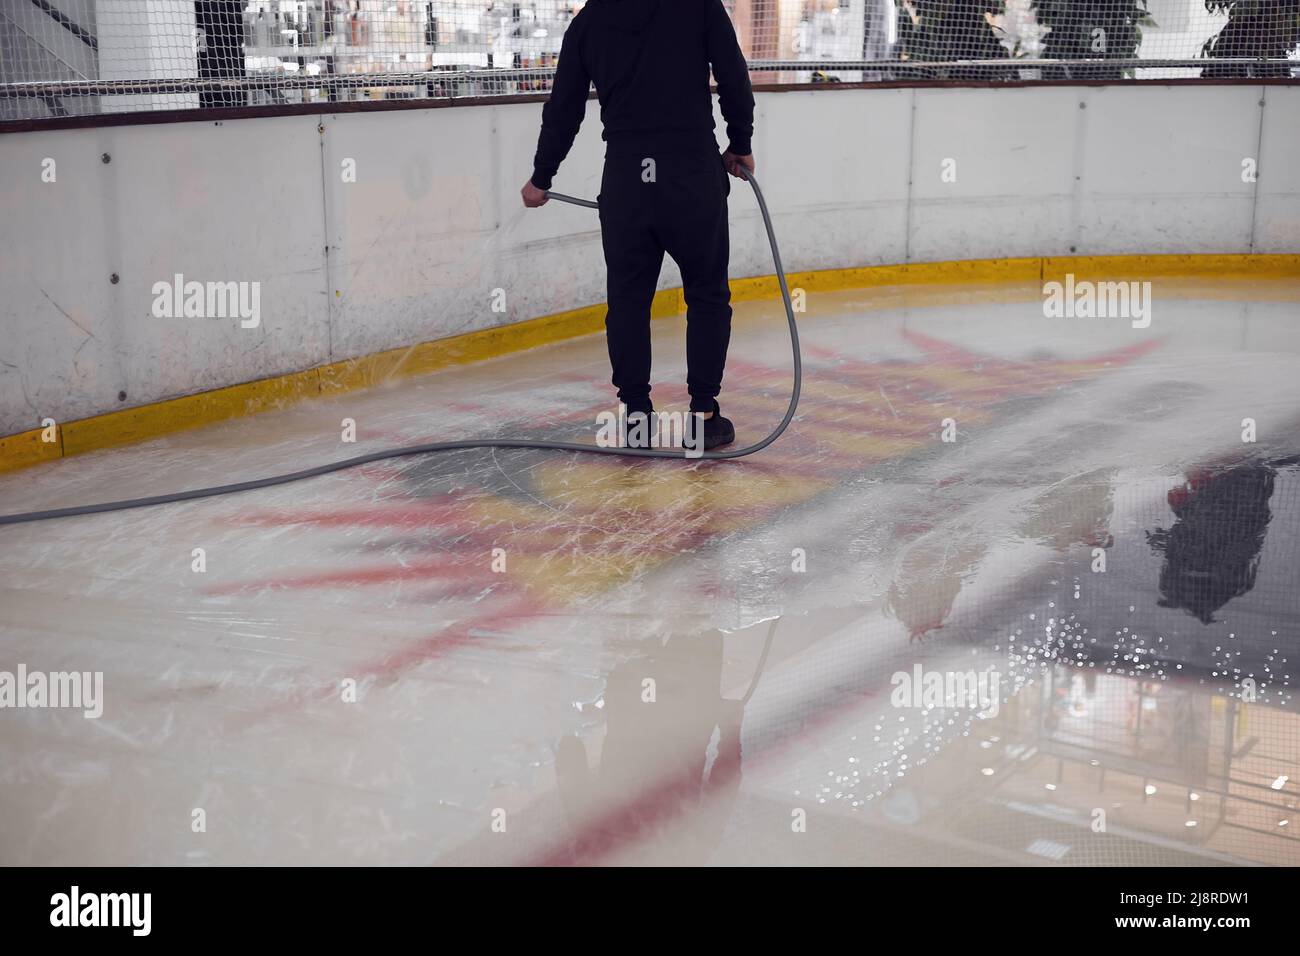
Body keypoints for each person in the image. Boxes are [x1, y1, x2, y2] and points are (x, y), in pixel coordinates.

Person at [520, 0, 755, 450]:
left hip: (628, 179)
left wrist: (541, 177)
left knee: (628, 299)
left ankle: (636, 417)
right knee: (706, 294)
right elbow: (732, 76)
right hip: (691, 174)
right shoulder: (699, 7)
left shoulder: (588, 22)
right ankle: (704, 415)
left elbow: (564, 109)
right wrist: (739, 141)